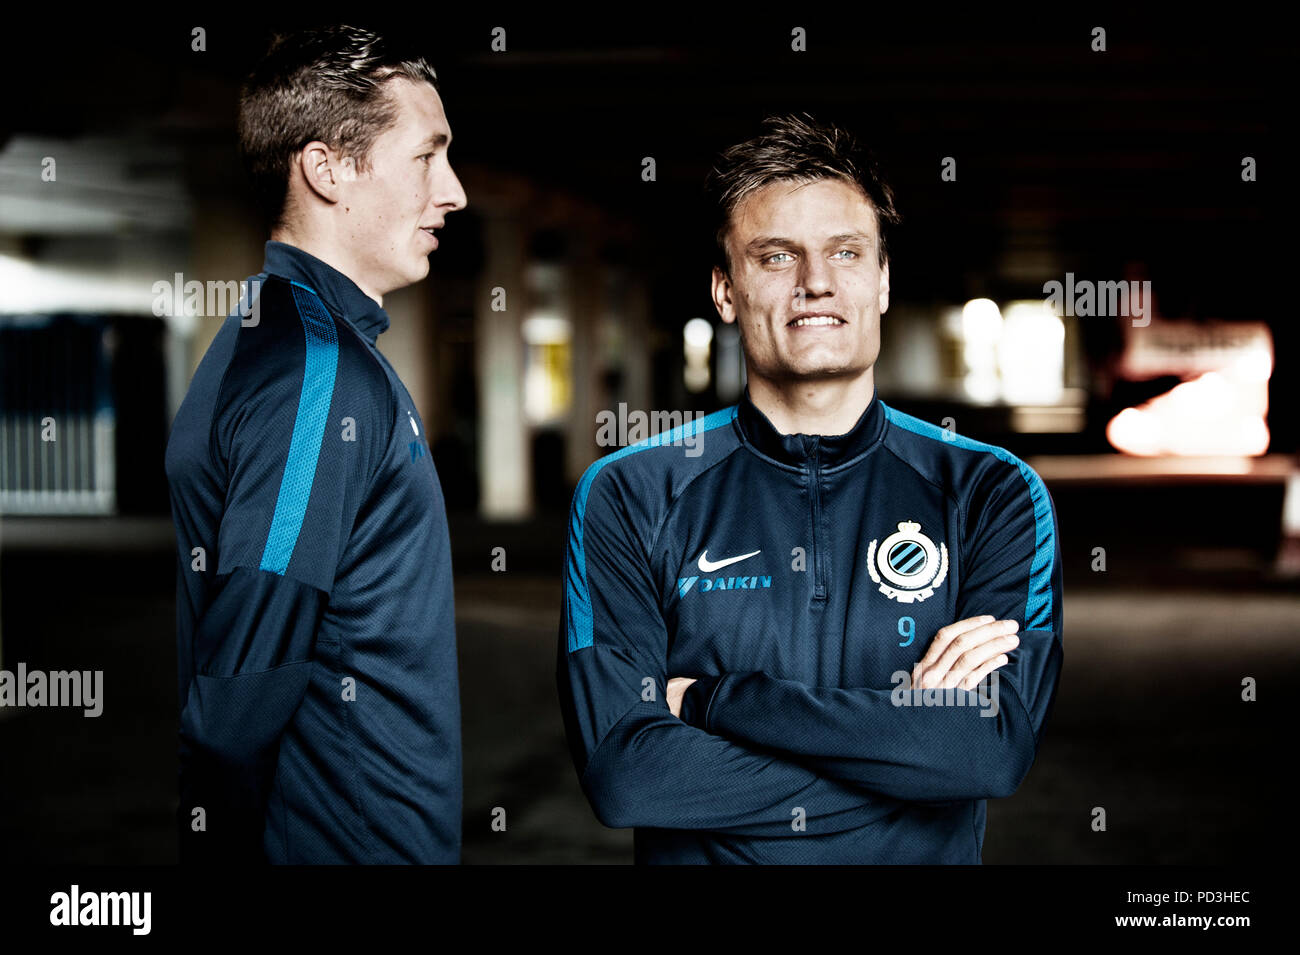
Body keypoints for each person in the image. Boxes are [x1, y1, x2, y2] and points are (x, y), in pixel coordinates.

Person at [556, 113, 1064, 863]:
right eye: (775, 256)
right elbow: (629, 774)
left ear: (883, 280)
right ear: (725, 290)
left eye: (846, 252)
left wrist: (707, 699)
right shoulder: (630, 493)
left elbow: (985, 752)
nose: (816, 282)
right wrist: (908, 759)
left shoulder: (992, 492)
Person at [164, 24, 467, 863]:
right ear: (327, 168)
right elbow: (241, 694)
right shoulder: (317, 371)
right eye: (427, 157)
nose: (455, 192)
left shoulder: (292, 341)